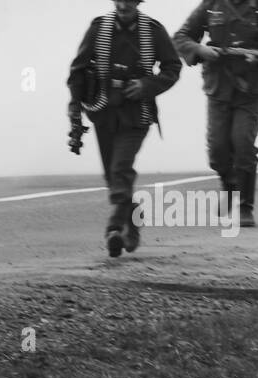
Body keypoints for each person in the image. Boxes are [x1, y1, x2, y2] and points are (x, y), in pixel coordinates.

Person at [68, 0, 181, 258]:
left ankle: (114, 228)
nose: (122, 5)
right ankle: (133, 215)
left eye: (129, 0)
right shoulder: (99, 28)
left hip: (136, 114)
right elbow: (78, 69)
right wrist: (74, 107)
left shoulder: (153, 31)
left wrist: (147, 85)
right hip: (103, 111)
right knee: (112, 175)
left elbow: (172, 67)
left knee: (121, 168)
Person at [173, 0, 258, 228]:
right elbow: (181, 37)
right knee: (217, 150)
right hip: (219, 87)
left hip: (252, 88)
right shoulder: (211, 4)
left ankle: (245, 206)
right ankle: (228, 184)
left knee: (242, 142)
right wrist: (200, 50)